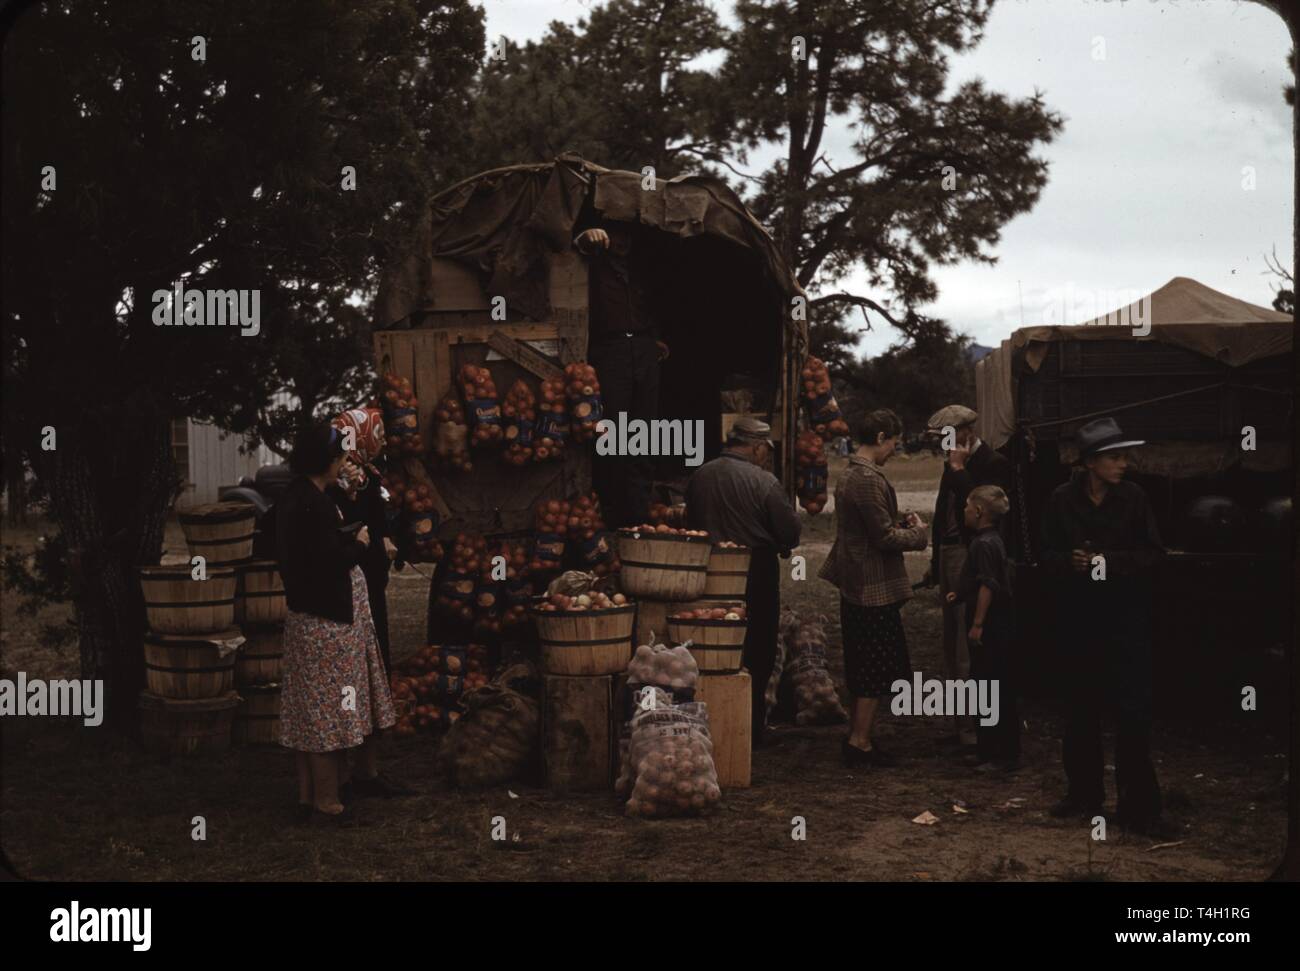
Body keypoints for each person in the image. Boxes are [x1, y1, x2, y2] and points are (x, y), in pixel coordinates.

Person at [1039, 416, 1168, 835]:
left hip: (1124, 620)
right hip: (1079, 619)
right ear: (1091, 462)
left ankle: (1138, 805)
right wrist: (1068, 562)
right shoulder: (1061, 499)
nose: (1124, 464)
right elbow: (1044, 554)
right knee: (1080, 711)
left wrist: (1109, 563)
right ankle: (1083, 794)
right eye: (1115, 458)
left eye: (1125, 457)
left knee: (1131, 713)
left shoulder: (1134, 499)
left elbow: (1152, 554)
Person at [276, 422, 408, 824]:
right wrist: (359, 543)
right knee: (326, 717)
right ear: (326, 460)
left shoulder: (306, 495)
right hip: (324, 621)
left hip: (317, 618)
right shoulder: (310, 505)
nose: (346, 460)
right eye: (341, 456)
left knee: (313, 714)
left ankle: (307, 799)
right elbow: (326, 558)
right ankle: (328, 804)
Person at [819, 409, 929, 767]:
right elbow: (882, 537)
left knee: (864, 663)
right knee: (873, 666)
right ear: (881, 437)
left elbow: (868, 527)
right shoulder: (866, 478)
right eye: (894, 442)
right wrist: (918, 532)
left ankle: (859, 736)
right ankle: (859, 741)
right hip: (871, 587)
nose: (894, 451)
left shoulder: (850, 473)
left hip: (857, 583)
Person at [686, 418, 801, 744]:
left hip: (709, 569)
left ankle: (713, 718)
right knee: (758, 647)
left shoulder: (700, 476)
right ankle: (751, 727)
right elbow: (789, 532)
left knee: (713, 645)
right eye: (767, 450)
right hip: (755, 570)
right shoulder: (764, 482)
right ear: (758, 447)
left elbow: (690, 521)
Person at [924, 404, 1013, 751]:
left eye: (947, 436)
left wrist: (959, 470)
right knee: (950, 645)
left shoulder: (992, 464)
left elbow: (983, 511)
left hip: (970, 555)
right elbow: (942, 511)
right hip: (950, 552)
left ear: (964, 433)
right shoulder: (953, 462)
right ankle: (962, 725)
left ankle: (975, 732)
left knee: (967, 646)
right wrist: (936, 556)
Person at [573, 220, 670, 528]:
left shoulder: (639, 269)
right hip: (609, 349)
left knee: (645, 429)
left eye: (626, 234)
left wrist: (654, 338)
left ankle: (638, 515)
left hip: (641, 349)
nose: (622, 240)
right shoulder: (592, 266)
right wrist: (585, 237)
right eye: (616, 234)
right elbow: (570, 252)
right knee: (613, 432)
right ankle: (612, 513)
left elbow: (652, 305)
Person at [947, 485, 1019, 771]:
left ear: (978, 512)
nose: (963, 511)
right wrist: (961, 593)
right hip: (997, 624)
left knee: (988, 686)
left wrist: (977, 624)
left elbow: (989, 584)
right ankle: (991, 749)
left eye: (966, 506)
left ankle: (999, 753)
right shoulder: (991, 540)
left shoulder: (983, 544)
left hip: (992, 626)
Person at [327, 408, 399, 674]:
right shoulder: (344, 479)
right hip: (357, 566)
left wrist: (386, 537)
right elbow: (356, 517)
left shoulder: (366, 472)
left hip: (370, 563)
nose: (384, 441)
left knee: (376, 625)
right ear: (361, 436)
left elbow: (376, 515)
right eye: (378, 435)